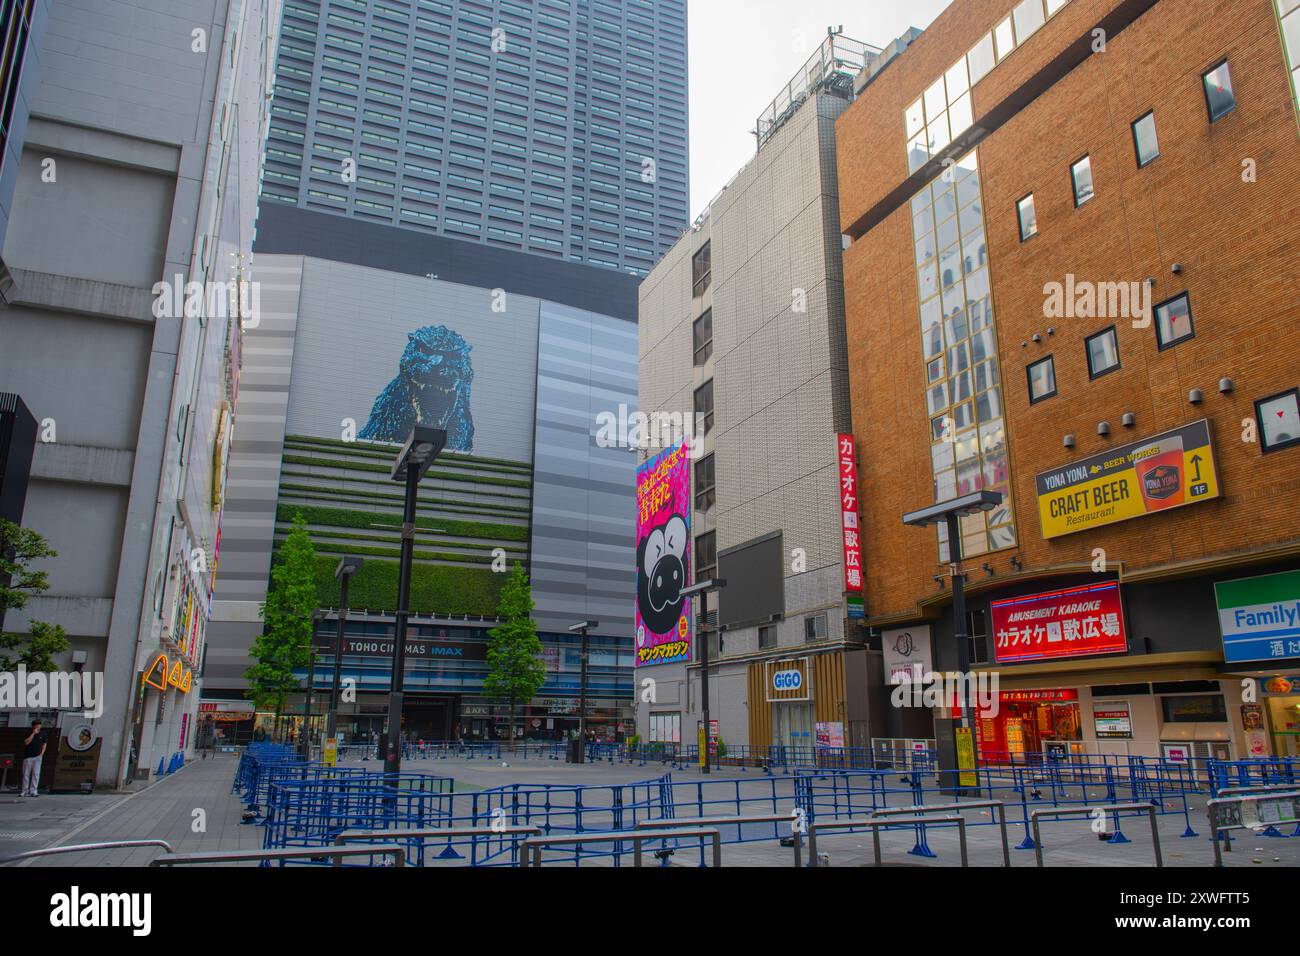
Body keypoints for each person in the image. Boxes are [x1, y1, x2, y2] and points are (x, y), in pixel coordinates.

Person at [22, 719, 46, 797]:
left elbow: (44, 744)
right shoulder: (28, 733)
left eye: (39, 724)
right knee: (26, 774)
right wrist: (33, 733)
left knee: (36, 774)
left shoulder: (43, 733)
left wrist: (42, 753)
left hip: (38, 756)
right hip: (28, 756)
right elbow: (26, 742)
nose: (38, 726)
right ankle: (25, 791)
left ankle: (34, 791)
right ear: (33, 726)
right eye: (36, 725)